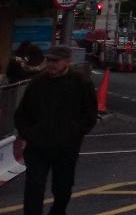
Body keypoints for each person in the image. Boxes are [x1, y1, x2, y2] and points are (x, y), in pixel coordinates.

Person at [14, 45, 98, 215]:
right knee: (34, 186)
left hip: (65, 147)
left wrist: (73, 133)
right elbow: (22, 113)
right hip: (38, 146)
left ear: (67, 61)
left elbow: (89, 115)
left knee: (63, 187)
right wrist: (30, 134)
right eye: (49, 60)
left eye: (55, 61)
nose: (51, 64)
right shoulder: (38, 83)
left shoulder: (80, 83)